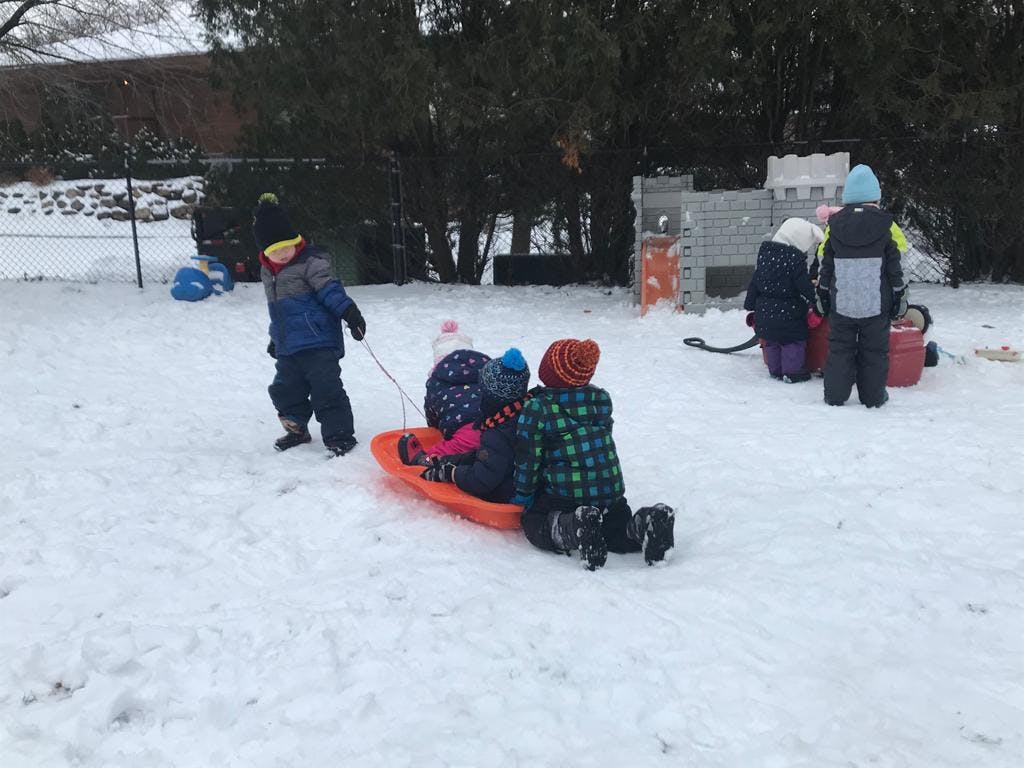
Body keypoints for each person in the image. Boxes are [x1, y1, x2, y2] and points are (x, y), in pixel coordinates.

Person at [511, 339, 675, 570]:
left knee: (535, 523)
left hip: (565, 493)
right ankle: (644, 524)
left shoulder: (538, 407)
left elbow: (529, 455)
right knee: (615, 530)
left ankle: (574, 526)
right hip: (610, 491)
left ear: (548, 370)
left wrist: (523, 493)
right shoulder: (601, 399)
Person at [256, 193, 366, 456]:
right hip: (289, 346)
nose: (283, 254)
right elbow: (280, 312)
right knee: (284, 389)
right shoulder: (268, 272)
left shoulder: (311, 263)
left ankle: (339, 436)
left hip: (318, 342)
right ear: (265, 253)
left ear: (297, 241)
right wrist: (276, 338)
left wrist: (349, 313)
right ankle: (297, 429)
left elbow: (330, 290)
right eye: (275, 251)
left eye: (287, 246)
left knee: (326, 389)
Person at [816, 165, 907, 407]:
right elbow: (894, 266)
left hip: (842, 302)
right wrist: (899, 293)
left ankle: (835, 396)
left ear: (848, 197)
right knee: (874, 351)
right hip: (876, 304)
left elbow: (827, 264)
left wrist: (822, 291)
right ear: (875, 196)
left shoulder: (835, 225)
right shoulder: (886, 226)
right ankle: (873, 397)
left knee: (840, 349)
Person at [420, 348, 531, 503]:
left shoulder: (498, 432)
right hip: (514, 475)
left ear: (490, 397)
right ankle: (440, 460)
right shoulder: (522, 414)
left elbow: (481, 480)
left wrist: (452, 473)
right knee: (477, 455)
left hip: (509, 492)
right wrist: (451, 460)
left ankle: (429, 459)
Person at [743, 218, 824, 382]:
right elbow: (803, 285)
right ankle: (793, 372)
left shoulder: (765, 257)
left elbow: (755, 282)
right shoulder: (794, 260)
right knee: (792, 343)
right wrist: (817, 298)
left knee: (771, 341)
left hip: (765, 312)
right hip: (789, 313)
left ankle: (775, 370)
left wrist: (750, 304)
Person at [397, 321, 489, 465]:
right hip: (500, 426)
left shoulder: (436, 382)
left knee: (445, 451)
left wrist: (435, 429)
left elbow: (431, 413)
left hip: (470, 431)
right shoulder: (487, 374)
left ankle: (421, 460)